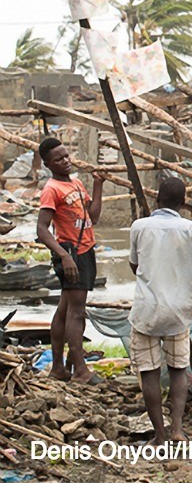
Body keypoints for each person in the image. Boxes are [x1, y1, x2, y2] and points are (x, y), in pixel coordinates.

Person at [128, 178, 192, 445]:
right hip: (179, 311)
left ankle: (159, 435)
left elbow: (134, 265)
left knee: (149, 372)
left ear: (156, 199)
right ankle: (177, 430)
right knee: (178, 369)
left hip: (146, 311)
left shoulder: (139, 226)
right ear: (183, 203)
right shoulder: (191, 229)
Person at [35, 137, 104, 384]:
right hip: (71, 252)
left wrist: (98, 186)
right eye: (59, 159)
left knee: (65, 310)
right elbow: (42, 229)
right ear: (48, 164)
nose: (65, 161)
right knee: (77, 312)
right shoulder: (51, 189)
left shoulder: (75, 183)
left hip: (85, 249)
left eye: (66, 156)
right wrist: (64, 256)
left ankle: (58, 368)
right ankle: (80, 370)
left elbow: (92, 217)